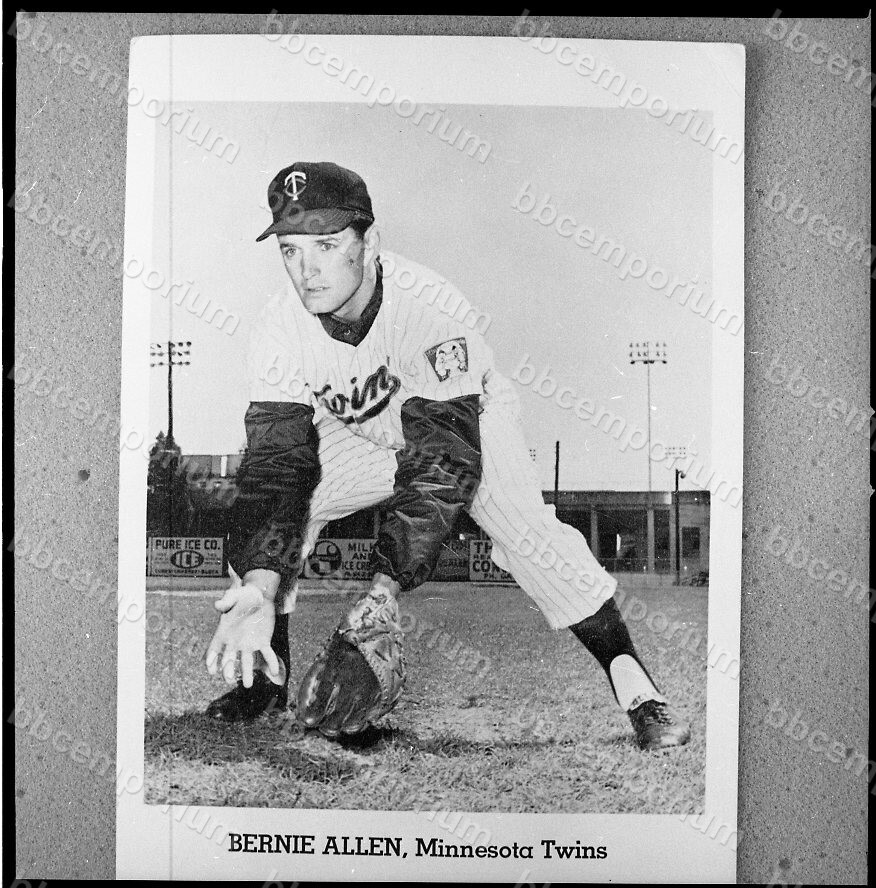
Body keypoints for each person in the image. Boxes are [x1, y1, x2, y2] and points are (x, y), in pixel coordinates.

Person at [204, 161, 690, 751]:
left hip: (464, 423)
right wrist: (260, 585)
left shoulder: (429, 309)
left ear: (369, 242)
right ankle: (262, 683)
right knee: (264, 524)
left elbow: (440, 465)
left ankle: (637, 688)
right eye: (290, 249)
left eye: (326, 245)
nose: (306, 270)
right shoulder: (279, 327)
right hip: (359, 435)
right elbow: (277, 468)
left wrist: (384, 591)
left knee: (530, 536)